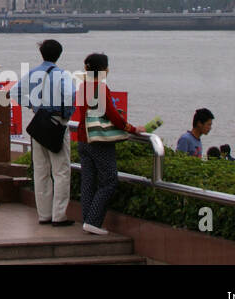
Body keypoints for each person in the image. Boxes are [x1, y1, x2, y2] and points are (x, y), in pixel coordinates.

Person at [76, 52, 144, 235]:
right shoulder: (101, 87)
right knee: (109, 182)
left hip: (83, 138)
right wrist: (131, 128)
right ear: (105, 69)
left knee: (88, 182)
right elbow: (112, 115)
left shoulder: (83, 86)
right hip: (99, 142)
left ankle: (87, 220)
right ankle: (93, 221)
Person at [12, 38, 75, 227]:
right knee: (61, 171)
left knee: (40, 171)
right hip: (56, 124)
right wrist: (65, 115)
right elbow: (71, 96)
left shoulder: (32, 73)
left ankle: (44, 214)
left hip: (38, 124)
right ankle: (59, 215)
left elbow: (14, 92)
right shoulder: (62, 75)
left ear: (42, 54)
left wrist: (32, 105)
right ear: (59, 54)